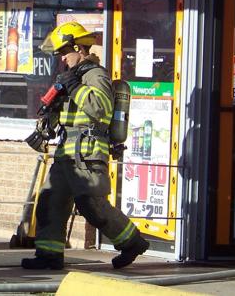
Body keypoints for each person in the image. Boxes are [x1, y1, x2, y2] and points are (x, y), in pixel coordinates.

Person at [21, 21, 149, 270]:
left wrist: (75, 87)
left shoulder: (95, 75)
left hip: (87, 153)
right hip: (66, 153)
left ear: (79, 48)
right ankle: (49, 255)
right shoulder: (73, 77)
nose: (62, 58)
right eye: (58, 53)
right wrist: (51, 115)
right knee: (49, 201)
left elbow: (100, 108)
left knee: (92, 205)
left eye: (64, 52)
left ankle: (132, 242)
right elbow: (71, 116)